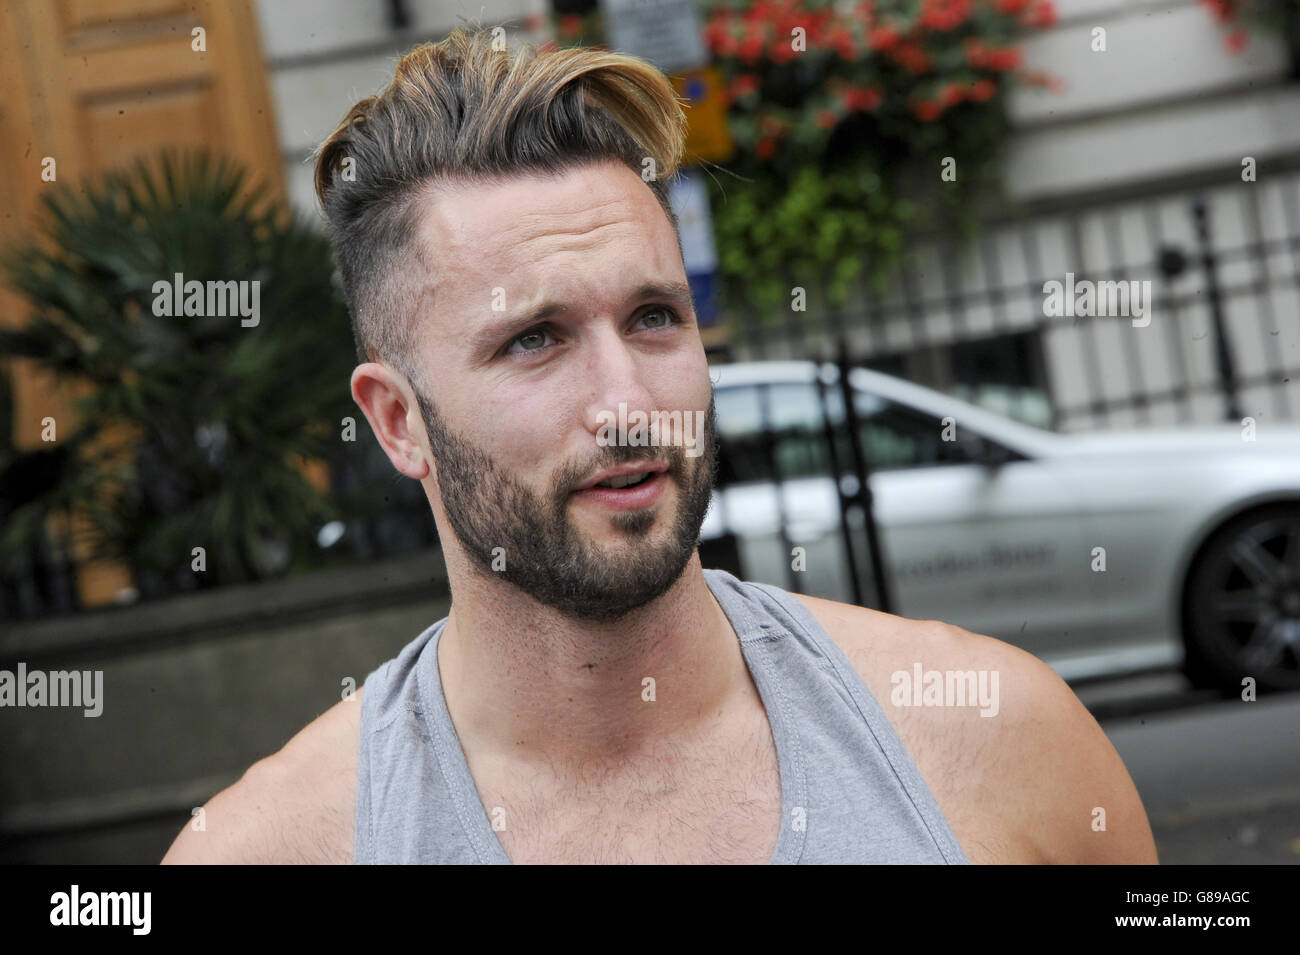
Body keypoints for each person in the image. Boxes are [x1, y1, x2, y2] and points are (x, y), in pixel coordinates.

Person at [162, 27, 1157, 865]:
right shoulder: (273, 848)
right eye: (535, 339)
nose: (629, 402)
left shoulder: (993, 740)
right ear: (396, 421)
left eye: (653, 317)